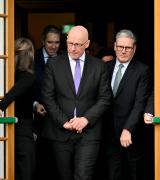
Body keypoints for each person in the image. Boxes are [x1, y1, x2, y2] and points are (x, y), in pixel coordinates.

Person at [40, 25, 111, 180]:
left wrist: (86, 119)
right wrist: (64, 122)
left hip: (89, 133)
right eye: (70, 43)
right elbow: (47, 97)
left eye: (77, 44)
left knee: (83, 176)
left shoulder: (99, 66)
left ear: (87, 44)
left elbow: (105, 98)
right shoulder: (53, 64)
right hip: (60, 132)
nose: (72, 48)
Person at [105, 29, 150, 180]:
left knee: (134, 172)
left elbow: (140, 103)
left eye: (128, 48)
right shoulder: (105, 67)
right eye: (120, 47)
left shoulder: (142, 70)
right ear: (114, 45)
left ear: (134, 48)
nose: (123, 51)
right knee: (112, 173)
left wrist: (127, 128)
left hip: (131, 134)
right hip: (107, 133)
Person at [0, 37, 36, 180]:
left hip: (8, 128)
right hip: (23, 130)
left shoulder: (6, 76)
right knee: (26, 171)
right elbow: (12, 96)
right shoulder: (27, 77)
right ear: (30, 56)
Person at [33, 24, 61, 179]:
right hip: (37, 119)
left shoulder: (65, 59)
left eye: (57, 42)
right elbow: (25, 86)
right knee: (38, 161)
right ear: (43, 41)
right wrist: (35, 104)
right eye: (50, 42)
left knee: (58, 162)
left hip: (59, 119)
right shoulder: (32, 58)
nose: (53, 46)